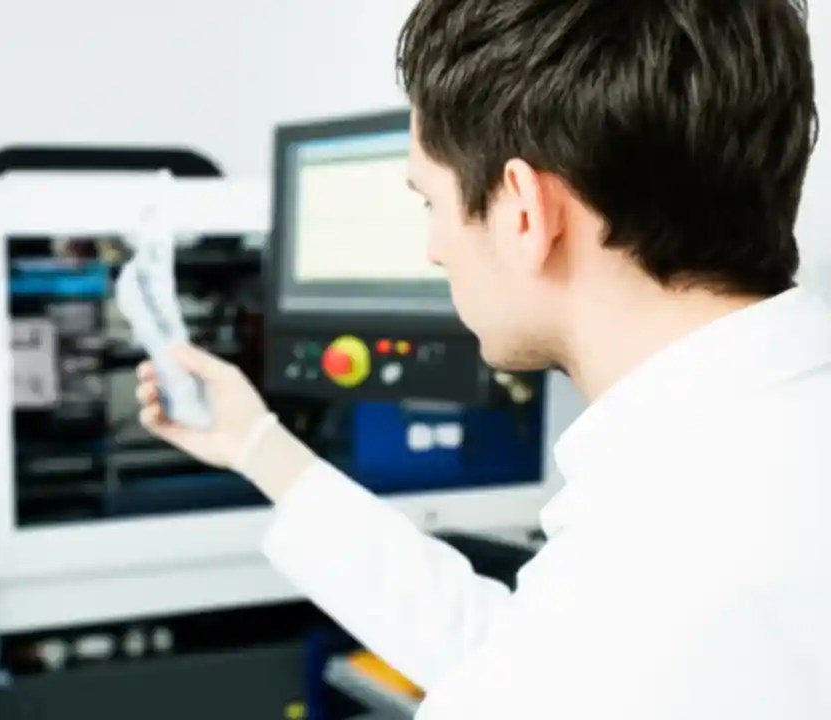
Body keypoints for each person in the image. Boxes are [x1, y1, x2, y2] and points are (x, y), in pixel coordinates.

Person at [136, 0, 831, 717]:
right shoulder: (751, 460)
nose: (434, 248)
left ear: (525, 214)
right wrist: (259, 447)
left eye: (430, 202)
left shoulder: (652, 564)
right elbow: (518, 654)